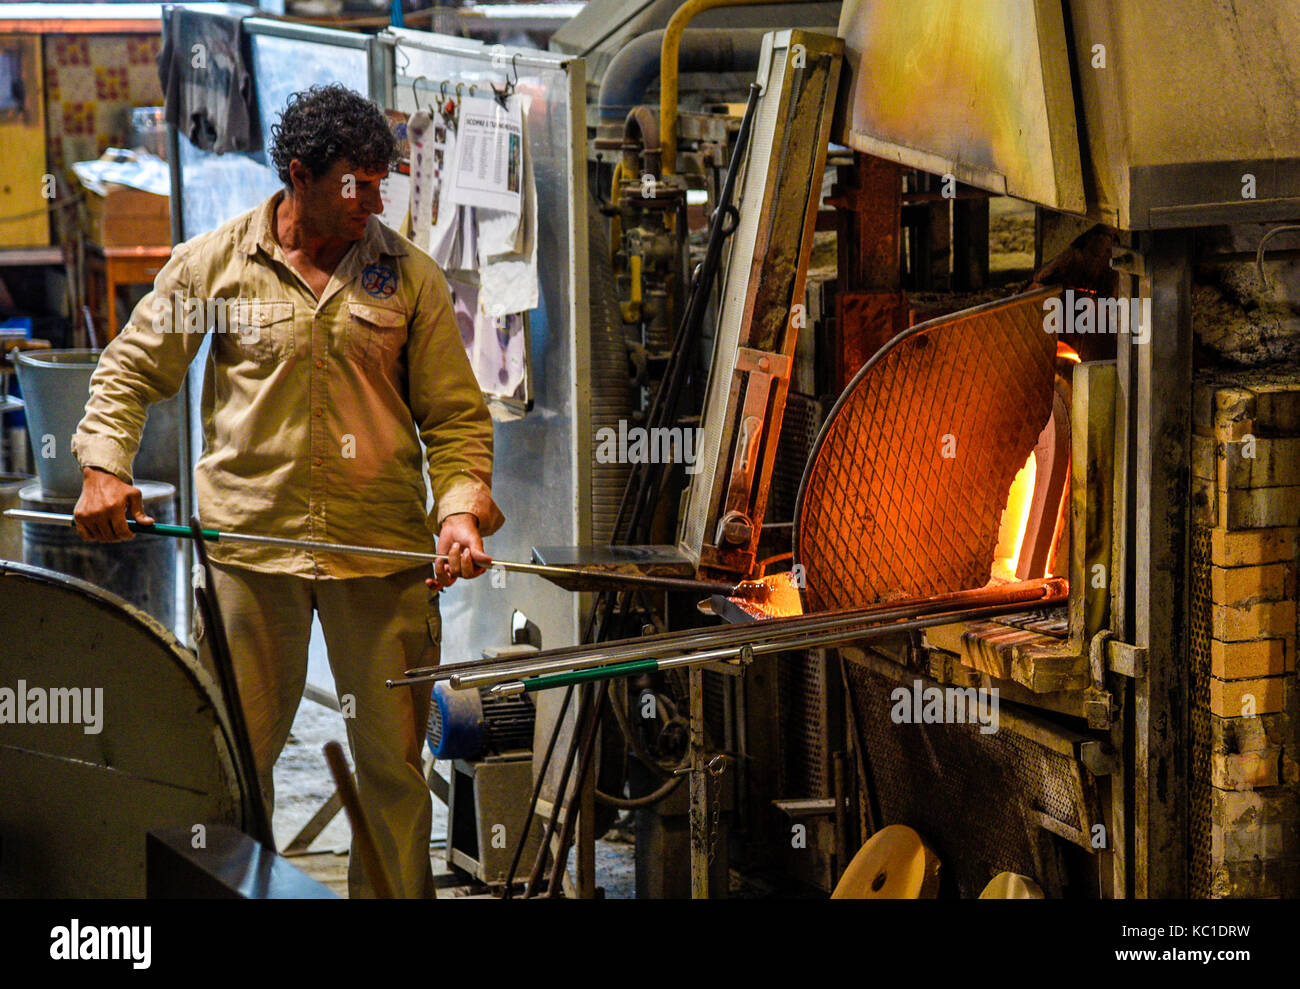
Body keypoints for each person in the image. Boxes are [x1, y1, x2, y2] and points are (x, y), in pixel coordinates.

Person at [71, 84, 503, 898]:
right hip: (248, 555)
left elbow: (455, 420)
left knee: (390, 769)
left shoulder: (407, 277)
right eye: (356, 185)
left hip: (376, 558)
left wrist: (458, 514)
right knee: (231, 764)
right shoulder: (216, 265)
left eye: (381, 183)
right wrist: (103, 466)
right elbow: (130, 370)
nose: (373, 203)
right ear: (299, 176)